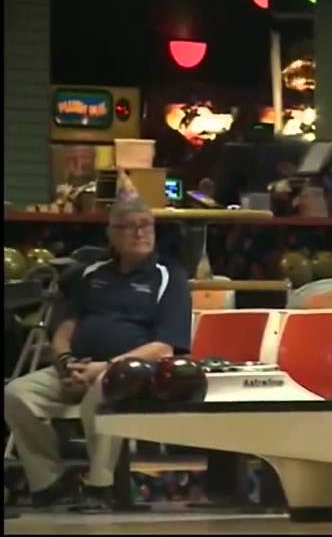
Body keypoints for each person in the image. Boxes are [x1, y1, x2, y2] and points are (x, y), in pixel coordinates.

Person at [4, 195, 192, 511]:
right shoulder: (92, 273)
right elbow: (66, 326)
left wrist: (102, 368)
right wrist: (65, 362)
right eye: (130, 227)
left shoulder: (169, 276)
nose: (140, 233)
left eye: (146, 225)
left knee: (105, 388)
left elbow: (164, 347)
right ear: (111, 234)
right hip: (78, 367)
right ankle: (49, 482)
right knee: (15, 394)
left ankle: (101, 486)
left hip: (135, 373)